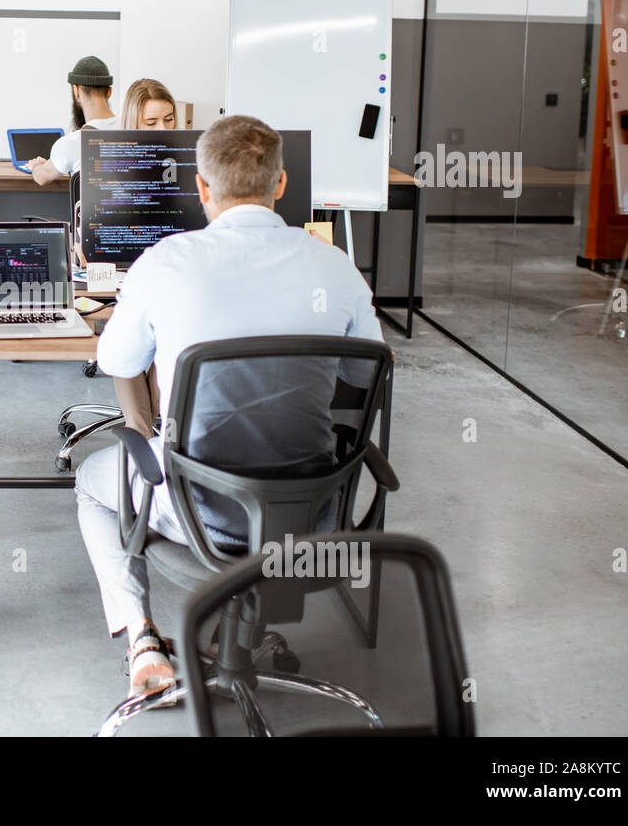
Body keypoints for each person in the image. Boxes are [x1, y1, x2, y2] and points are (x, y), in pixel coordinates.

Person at [74, 114, 384, 697]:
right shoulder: (335, 268)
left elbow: (117, 360)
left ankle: (142, 637)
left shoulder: (165, 263)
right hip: (311, 516)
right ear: (282, 184)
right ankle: (242, 634)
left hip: (201, 516)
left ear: (201, 187)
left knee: (92, 484)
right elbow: (365, 374)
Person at [108, 78, 180, 439]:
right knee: (134, 320)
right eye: (151, 123)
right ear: (132, 124)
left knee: (166, 320)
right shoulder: (108, 167)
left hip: (174, 273)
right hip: (124, 274)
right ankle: (141, 430)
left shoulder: (187, 166)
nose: (163, 130)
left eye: (169, 120)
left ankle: (148, 428)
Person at [28, 55, 118, 185]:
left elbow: (42, 178)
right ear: (109, 92)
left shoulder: (72, 143)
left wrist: (36, 166)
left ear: (76, 91)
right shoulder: (132, 127)